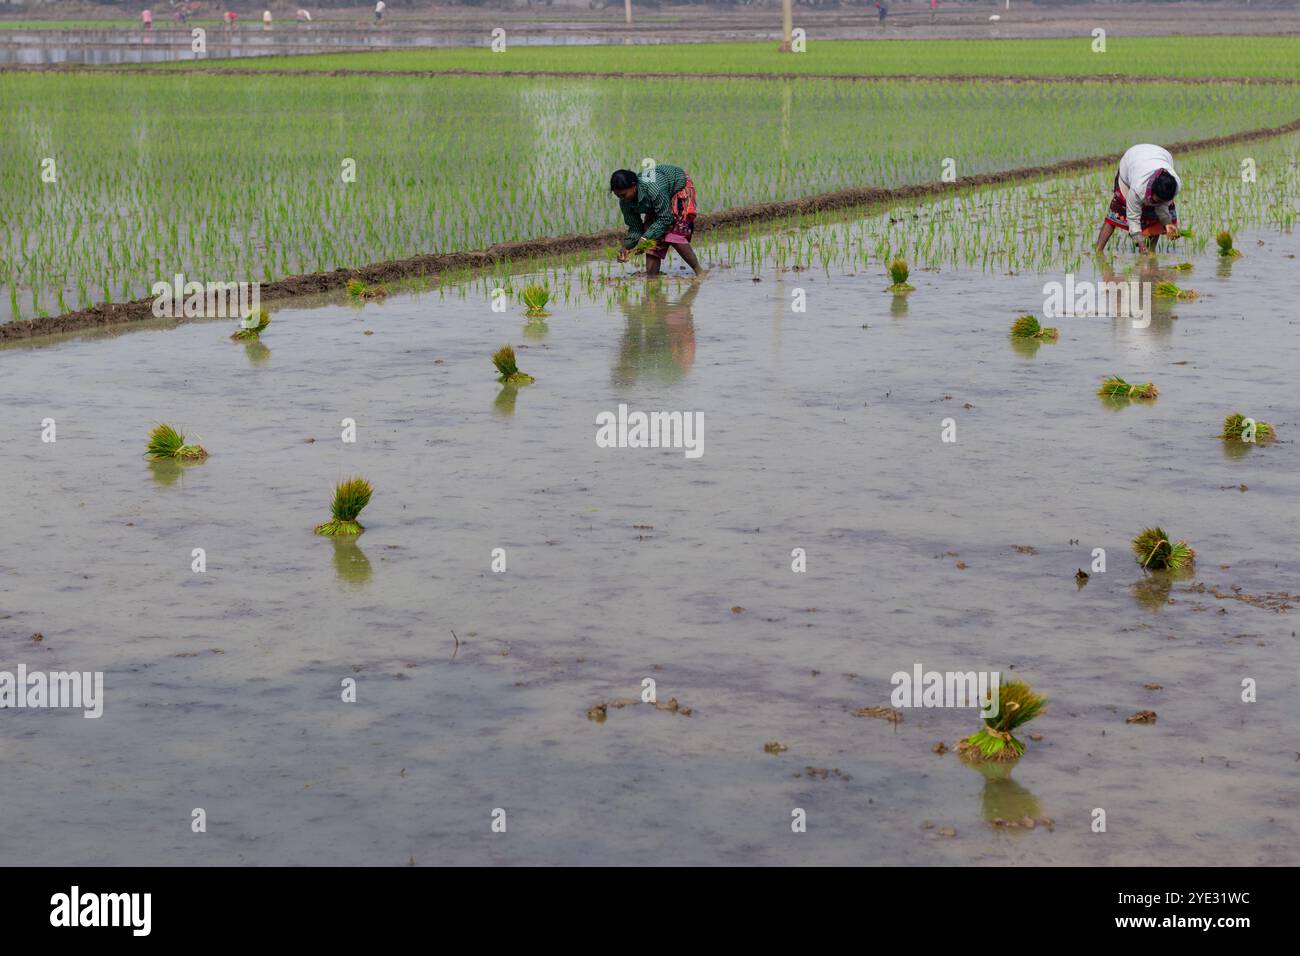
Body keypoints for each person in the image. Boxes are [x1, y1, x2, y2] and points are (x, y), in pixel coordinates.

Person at [611, 165, 703, 277]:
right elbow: (636, 228)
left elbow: (665, 218)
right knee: (652, 237)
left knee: (674, 234)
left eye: (623, 195)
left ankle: (699, 272)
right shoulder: (625, 202)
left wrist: (645, 237)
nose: (622, 199)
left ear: (634, 186)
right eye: (618, 196)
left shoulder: (653, 189)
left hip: (678, 187)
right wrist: (626, 247)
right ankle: (652, 279)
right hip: (658, 200)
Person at [1095, 143, 1181, 253]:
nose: (1158, 204)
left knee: (1155, 218)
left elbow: (1163, 206)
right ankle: (1098, 251)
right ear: (1151, 190)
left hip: (1158, 155)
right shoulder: (1138, 188)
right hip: (1131, 162)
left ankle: (1151, 251)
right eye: (1157, 200)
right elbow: (1133, 217)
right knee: (1116, 212)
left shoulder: (1173, 185)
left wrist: (1167, 223)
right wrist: (1140, 243)